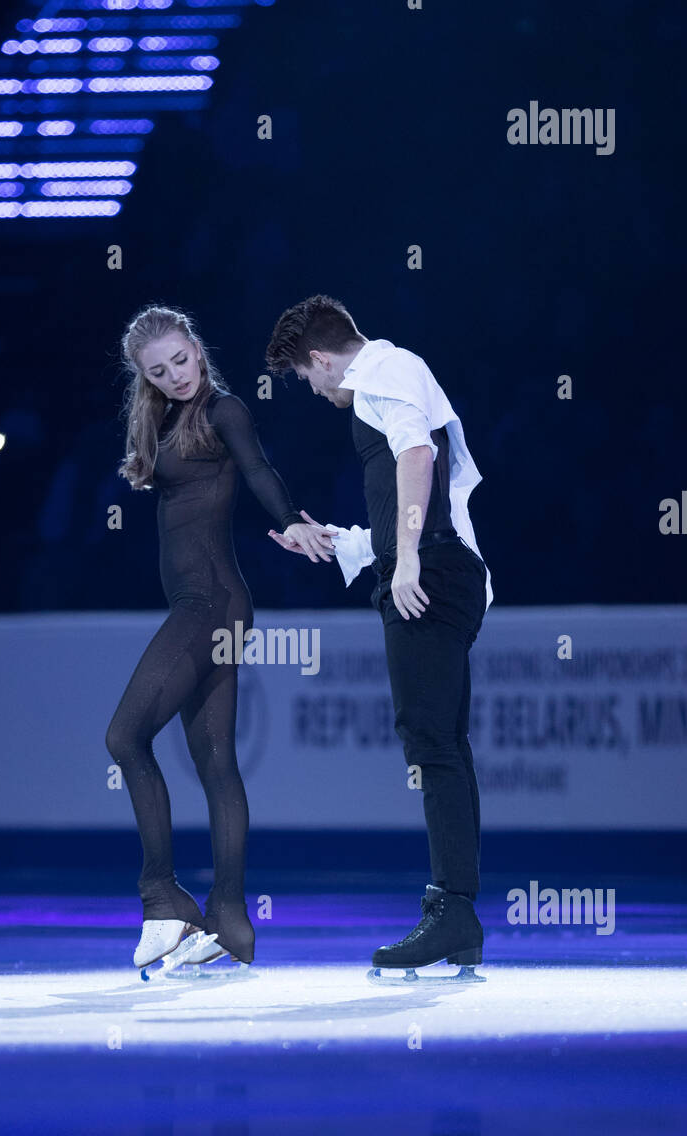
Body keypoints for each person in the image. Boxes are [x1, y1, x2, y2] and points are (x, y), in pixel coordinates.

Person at [265, 295, 492, 978]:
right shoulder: (398, 374)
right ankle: (459, 915)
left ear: (322, 359)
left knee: (431, 743)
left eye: (307, 378)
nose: (315, 389)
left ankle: (453, 909)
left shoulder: (381, 376)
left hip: (429, 574)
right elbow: (413, 488)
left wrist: (410, 556)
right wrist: (345, 544)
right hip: (442, 569)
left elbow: (418, 456)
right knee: (444, 743)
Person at [105, 305, 332, 973]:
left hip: (212, 605)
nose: (176, 375)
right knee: (215, 766)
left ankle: (161, 900)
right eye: (159, 370)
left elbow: (259, 471)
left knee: (123, 737)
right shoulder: (166, 421)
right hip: (210, 605)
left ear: (197, 349)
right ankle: (229, 924)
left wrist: (291, 522)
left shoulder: (223, 409)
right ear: (143, 378)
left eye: (181, 359)